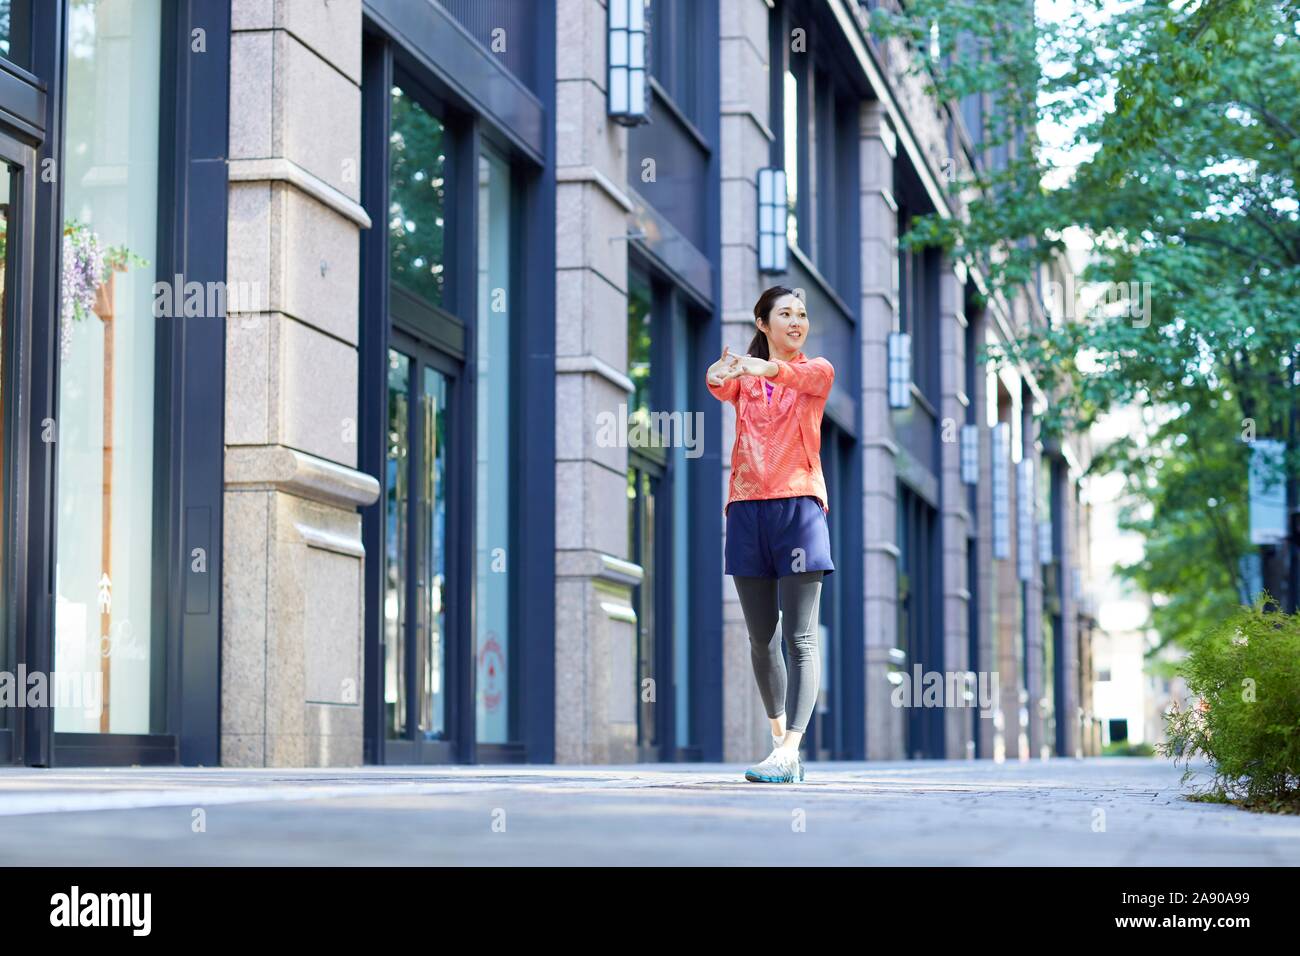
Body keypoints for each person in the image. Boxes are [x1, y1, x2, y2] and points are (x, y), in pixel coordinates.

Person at [706, 286, 835, 783]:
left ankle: (791, 750)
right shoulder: (745, 381)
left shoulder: (816, 371)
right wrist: (720, 371)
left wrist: (761, 367)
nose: (796, 321)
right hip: (745, 510)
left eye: (801, 314)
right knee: (763, 637)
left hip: (799, 506)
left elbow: (796, 374)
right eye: (785, 313)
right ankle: (780, 742)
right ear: (763, 323)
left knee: (801, 637)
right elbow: (719, 382)